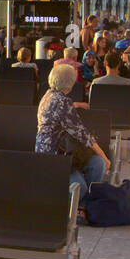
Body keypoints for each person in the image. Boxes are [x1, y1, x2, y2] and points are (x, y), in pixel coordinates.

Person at [36, 63, 110, 201]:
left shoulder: (48, 95)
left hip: (52, 151)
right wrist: (105, 157)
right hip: (56, 157)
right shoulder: (63, 102)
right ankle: (78, 205)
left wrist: (75, 104)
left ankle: (84, 204)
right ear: (70, 84)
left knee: (97, 164)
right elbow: (83, 134)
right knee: (94, 169)